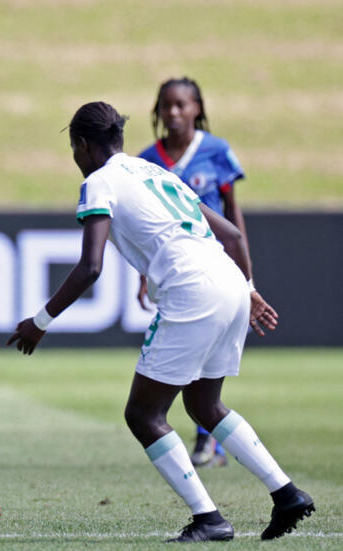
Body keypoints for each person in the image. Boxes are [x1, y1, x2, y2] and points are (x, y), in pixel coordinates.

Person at [7, 102, 314, 542]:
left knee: (143, 414)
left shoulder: (99, 183)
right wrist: (247, 288)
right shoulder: (156, 173)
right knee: (205, 405)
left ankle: (209, 519)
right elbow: (230, 234)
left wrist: (40, 320)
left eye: (74, 150)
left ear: (83, 145)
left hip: (192, 291)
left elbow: (90, 267)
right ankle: (287, 495)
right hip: (229, 282)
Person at [138, 76, 251, 468]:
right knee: (185, 355)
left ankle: (206, 436)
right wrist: (142, 277)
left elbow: (232, 214)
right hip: (174, 273)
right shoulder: (146, 160)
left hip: (215, 268)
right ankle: (207, 436)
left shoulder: (216, 151)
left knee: (201, 359)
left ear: (197, 108)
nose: (173, 112)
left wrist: (246, 276)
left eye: (181, 104)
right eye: (166, 105)